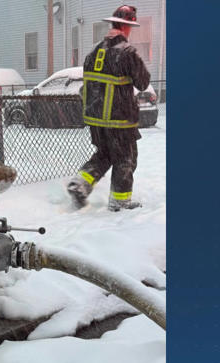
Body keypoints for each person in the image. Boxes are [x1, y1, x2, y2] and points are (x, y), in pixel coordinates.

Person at [67, 5, 151, 211]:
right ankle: (120, 202)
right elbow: (142, 82)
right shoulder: (127, 53)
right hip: (119, 119)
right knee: (125, 158)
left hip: (95, 118)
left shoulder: (94, 51)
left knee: (104, 154)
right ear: (126, 26)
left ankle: (80, 184)